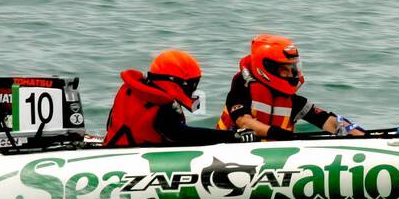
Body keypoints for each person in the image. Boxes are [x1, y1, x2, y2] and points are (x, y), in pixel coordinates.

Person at [216, 34, 365, 139]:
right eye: (285, 69)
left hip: (272, 158)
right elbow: (244, 121)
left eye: (292, 68)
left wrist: (362, 135)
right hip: (227, 152)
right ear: (268, 67)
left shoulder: (291, 100)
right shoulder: (242, 87)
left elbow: (327, 121)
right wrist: (278, 133)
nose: (290, 74)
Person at [105, 50, 247, 147]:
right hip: (134, 161)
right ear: (177, 83)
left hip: (115, 148)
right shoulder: (162, 105)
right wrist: (231, 137)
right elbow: (181, 135)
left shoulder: (130, 90)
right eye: (192, 84)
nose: (193, 90)